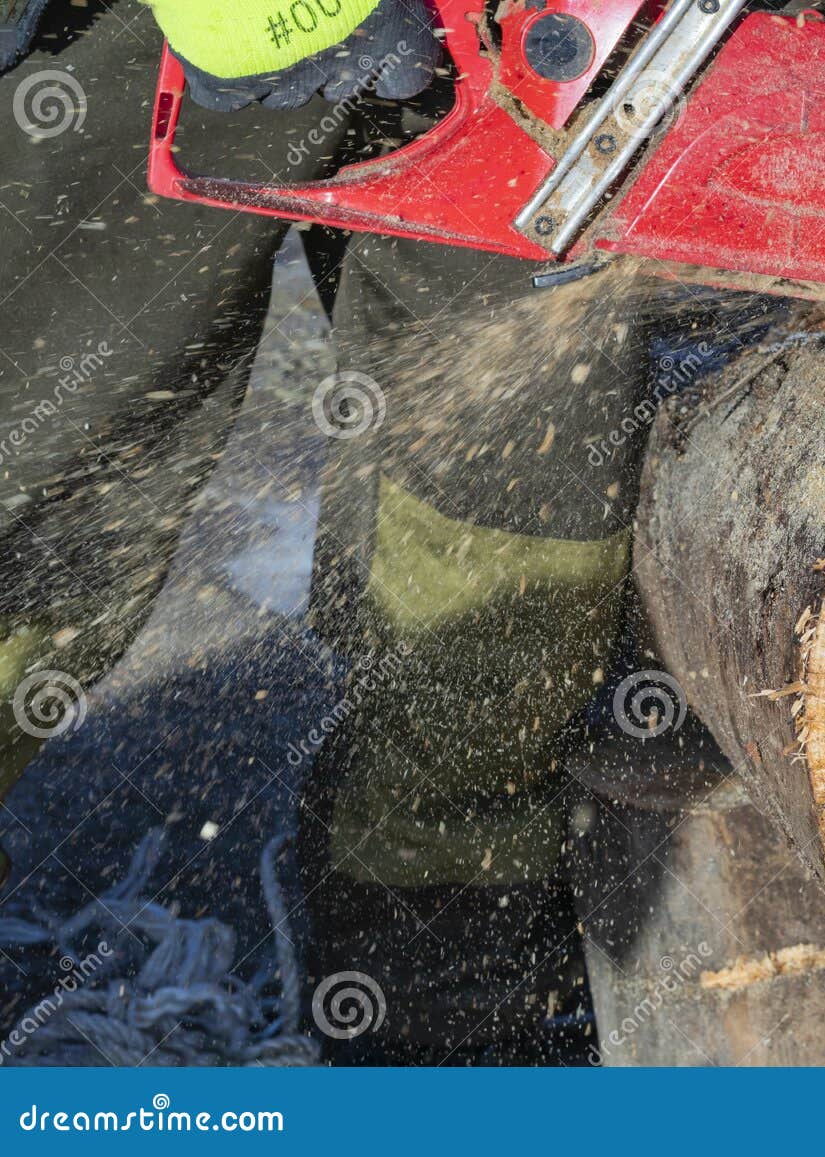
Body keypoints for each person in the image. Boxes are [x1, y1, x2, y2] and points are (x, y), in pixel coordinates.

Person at [0, 0, 655, 1063]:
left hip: (536, 44)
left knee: (514, 505)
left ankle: (440, 1007)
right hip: (114, 33)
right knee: (36, 484)